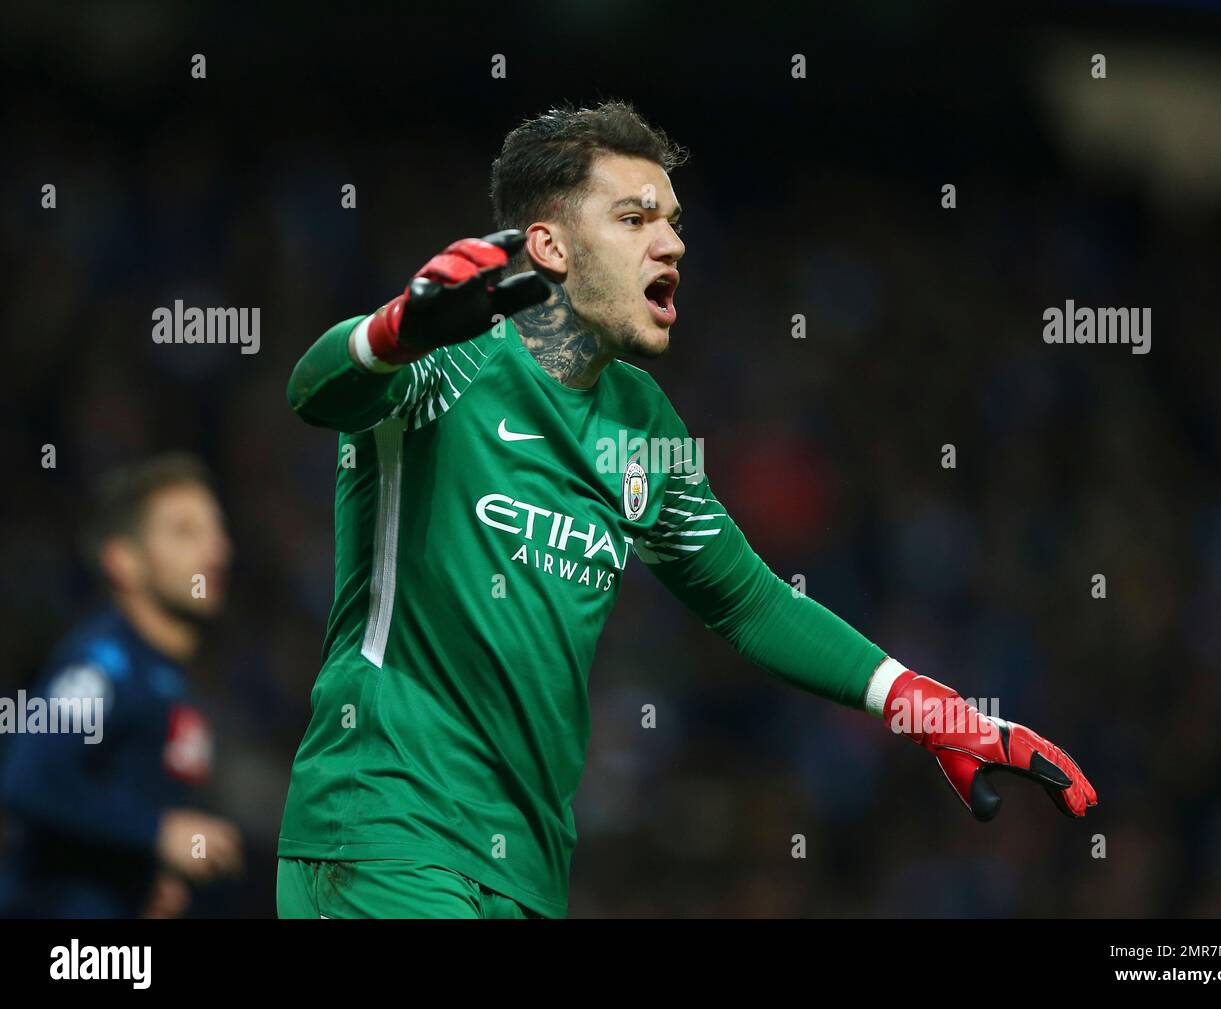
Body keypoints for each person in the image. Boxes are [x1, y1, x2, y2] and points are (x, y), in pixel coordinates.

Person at [277, 100, 1096, 919]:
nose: (670, 243)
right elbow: (315, 393)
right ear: (550, 245)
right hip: (383, 830)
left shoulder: (643, 423)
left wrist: (931, 707)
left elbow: (747, 600)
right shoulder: (444, 359)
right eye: (634, 218)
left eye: (671, 221)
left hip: (525, 867)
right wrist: (391, 333)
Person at [0, 454, 244, 917]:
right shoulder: (100, 666)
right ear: (124, 562)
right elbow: (28, 779)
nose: (217, 552)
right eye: (184, 532)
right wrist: (158, 832)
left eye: (217, 530)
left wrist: (146, 875)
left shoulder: (170, 679)